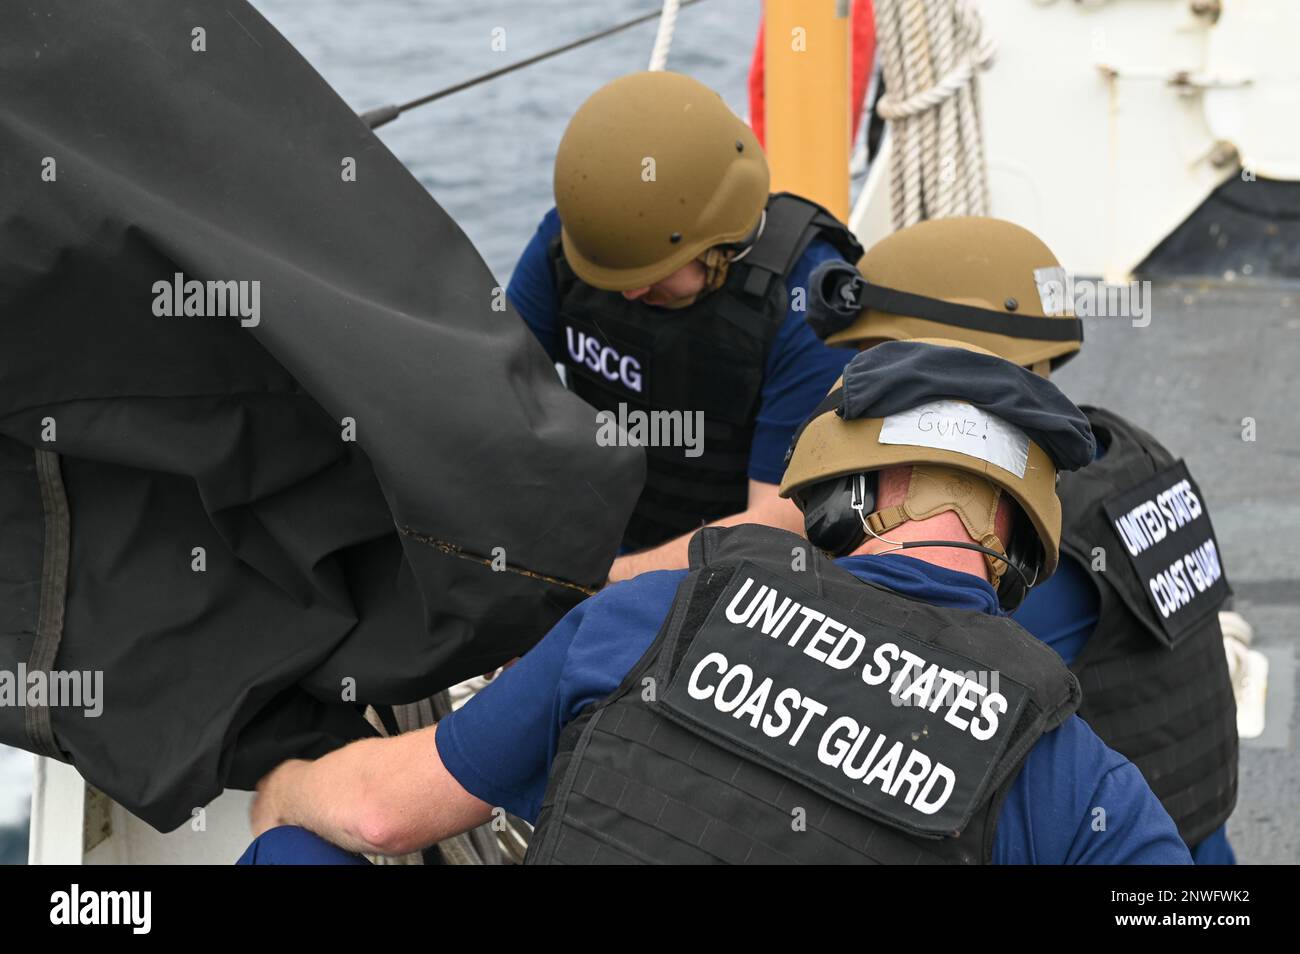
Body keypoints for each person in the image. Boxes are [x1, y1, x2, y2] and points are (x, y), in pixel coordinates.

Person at [242, 339, 1191, 864]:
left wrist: (280, 794)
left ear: (849, 492)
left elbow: (378, 818)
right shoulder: (1075, 775)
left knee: (291, 860)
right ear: (1021, 550)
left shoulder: (650, 615)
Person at [804, 217, 1238, 864]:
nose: (859, 383)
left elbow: (897, 687)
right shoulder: (1126, 455)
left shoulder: (1028, 540)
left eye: (883, 359)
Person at [507, 71, 863, 582]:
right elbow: (500, 394)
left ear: (723, 242)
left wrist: (597, 582)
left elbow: (780, 526)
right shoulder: (589, 247)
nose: (627, 292)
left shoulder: (808, 308)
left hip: (726, 581)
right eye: (611, 277)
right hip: (589, 536)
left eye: (650, 277)